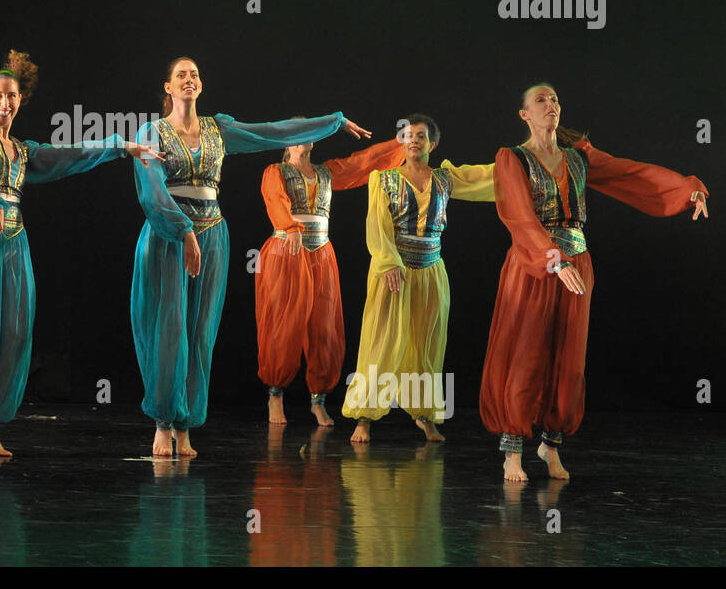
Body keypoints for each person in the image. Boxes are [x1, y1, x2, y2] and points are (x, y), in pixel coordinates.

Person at [131, 57, 371, 457]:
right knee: (167, 328)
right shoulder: (151, 132)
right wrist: (181, 230)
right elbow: (152, 189)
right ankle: (162, 422)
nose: (188, 79)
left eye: (194, 74)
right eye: (180, 75)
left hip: (212, 234)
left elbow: (273, 133)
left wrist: (330, 123)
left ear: (200, 85)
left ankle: (186, 425)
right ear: (168, 87)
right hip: (167, 235)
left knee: (200, 332)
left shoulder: (218, 130)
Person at [479, 83, 708, 481]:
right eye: (540, 100)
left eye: (553, 99)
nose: (550, 104)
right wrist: (554, 259)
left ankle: (550, 445)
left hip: (578, 263)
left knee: (569, 356)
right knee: (526, 351)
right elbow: (518, 215)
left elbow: (632, 175)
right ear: (524, 114)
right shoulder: (512, 159)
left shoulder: (578, 159)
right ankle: (512, 451)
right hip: (535, 264)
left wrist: (688, 190)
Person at [0, 50, 157, 458]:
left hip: (13, 241)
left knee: (14, 331)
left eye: (12, 97)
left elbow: (68, 155)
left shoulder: (23, 151)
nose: (4, 103)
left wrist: (119, 146)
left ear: (21, 101)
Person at [340, 115, 495, 442]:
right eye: (408, 135)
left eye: (421, 136)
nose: (414, 141)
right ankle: (364, 418)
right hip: (392, 271)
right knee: (380, 341)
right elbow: (377, 227)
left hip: (431, 270)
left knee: (427, 346)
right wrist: (389, 263)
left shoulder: (445, 179)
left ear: (432, 144)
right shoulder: (383, 180)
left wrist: (525, 162)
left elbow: (490, 176)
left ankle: (425, 415)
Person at [255, 131, 404, 425]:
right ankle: (275, 396)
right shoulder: (276, 171)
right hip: (285, 251)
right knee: (283, 323)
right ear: (285, 142)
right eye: (294, 134)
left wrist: (401, 142)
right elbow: (275, 199)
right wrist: (291, 227)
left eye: (307, 134)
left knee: (324, 325)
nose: (300, 139)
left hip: (321, 252)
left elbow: (364, 163)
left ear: (314, 140)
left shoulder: (326, 173)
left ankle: (318, 400)